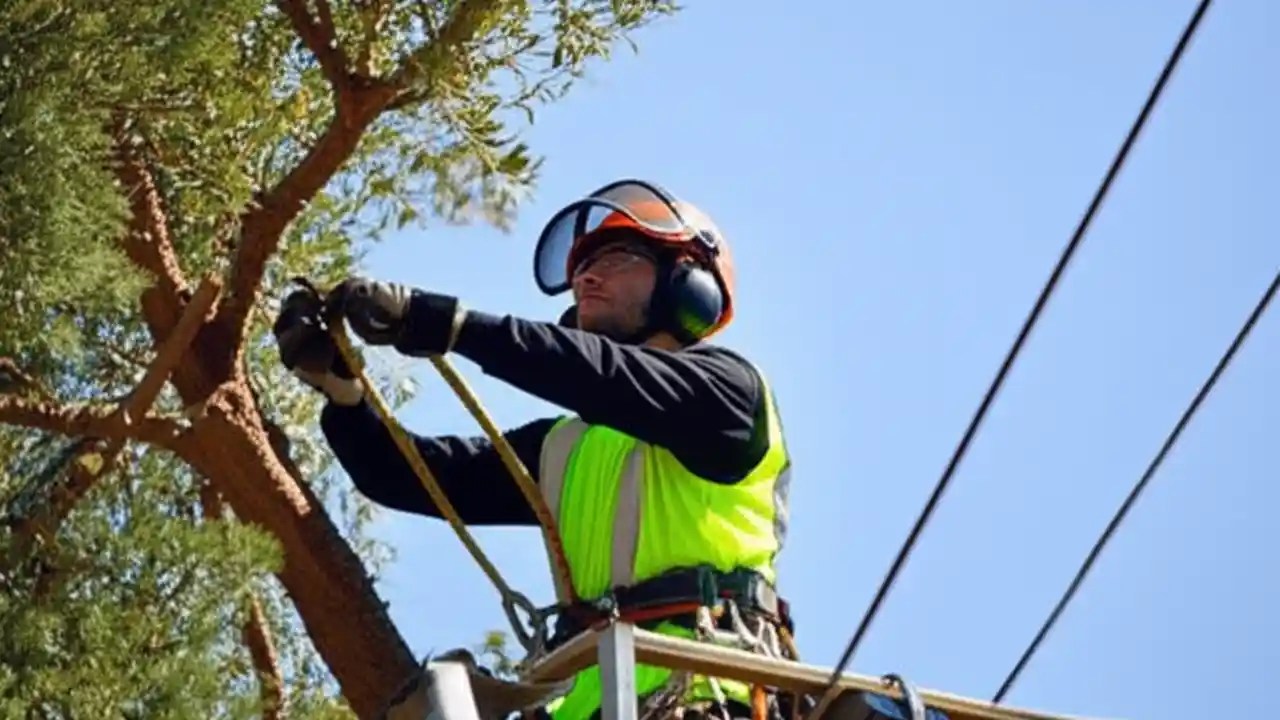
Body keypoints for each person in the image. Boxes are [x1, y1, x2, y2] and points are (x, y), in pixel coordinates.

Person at [273, 179, 797, 720]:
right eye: (580, 270)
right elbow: (406, 475)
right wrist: (343, 394)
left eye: (618, 257)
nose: (586, 277)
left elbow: (599, 374)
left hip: (708, 695)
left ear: (688, 281)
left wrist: (451, 325)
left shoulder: (732, 391)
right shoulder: (566, 446)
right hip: (593, 703)